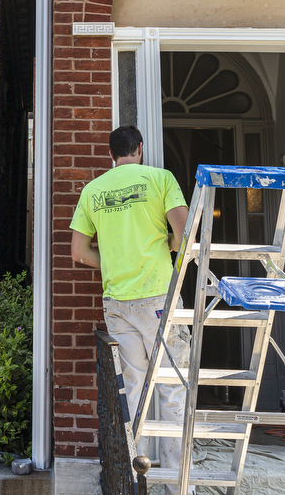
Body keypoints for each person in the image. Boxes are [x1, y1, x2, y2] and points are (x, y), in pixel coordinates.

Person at [70, 125, 193, 493]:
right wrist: (170, 243)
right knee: (173, 387)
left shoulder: (93, 191)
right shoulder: (160, 178)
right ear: (139, 149)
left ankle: (136, 480)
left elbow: (78, 252)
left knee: (132, 390)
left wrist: (111, 261)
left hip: (118, 304)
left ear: (111, 155)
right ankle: (176, 485)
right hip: (158, 299)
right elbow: (185, 232)